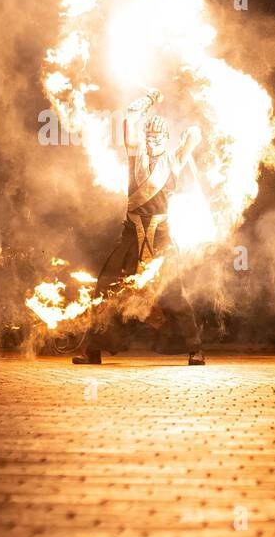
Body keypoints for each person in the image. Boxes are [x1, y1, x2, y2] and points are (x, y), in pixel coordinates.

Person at [74, 88, 206, 365]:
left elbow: (194, 136)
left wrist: (192, 128)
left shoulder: (175, 160)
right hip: (131, 234)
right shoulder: (136, 157)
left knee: (173, 293)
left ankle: (195, 349)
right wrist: (149, 100)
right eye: (149, 137)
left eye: (158, 137)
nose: (152, 141)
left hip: (161, 237)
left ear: (166, 139)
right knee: (106, 288)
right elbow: (130, 118)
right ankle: (93, 350)